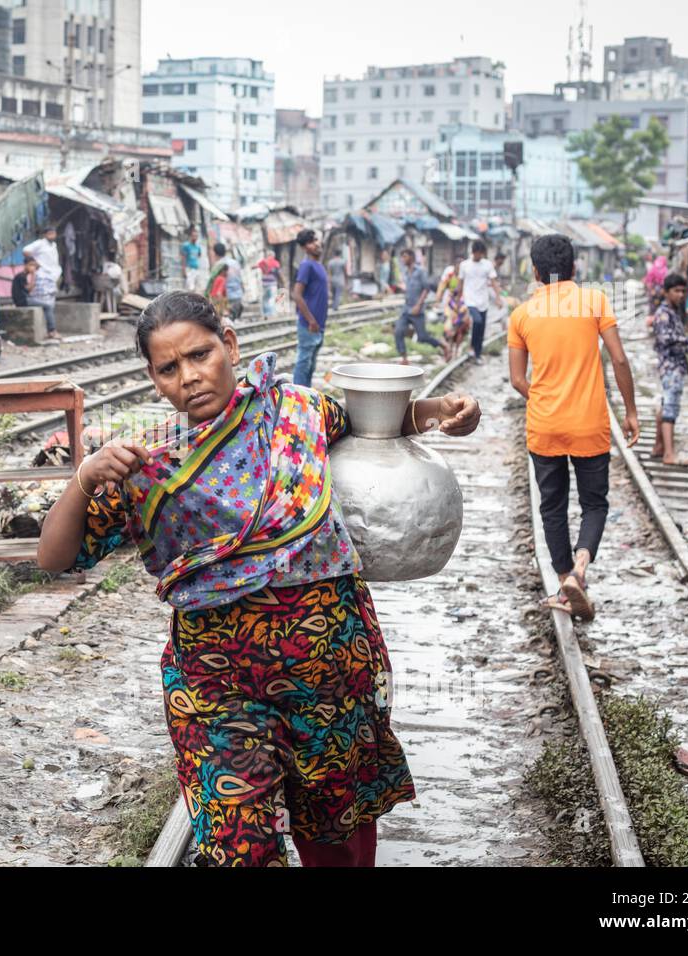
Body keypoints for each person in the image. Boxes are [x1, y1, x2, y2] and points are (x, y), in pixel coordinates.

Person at [35, 290, 482, 867]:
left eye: (200, 355)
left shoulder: (297, 413)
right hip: (217, 687)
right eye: (169, 368)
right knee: (237, 848)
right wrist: (83, 477)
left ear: (230, 345)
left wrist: (441, 411)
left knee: (337, 842)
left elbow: (381, 423)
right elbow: (52, 557)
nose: (190, 377)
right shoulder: (151, 469)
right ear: (153, 378)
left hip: (329, 675)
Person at [508, 234, 640, 623]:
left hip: (544, 426)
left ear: (535, 272)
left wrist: (546, 398)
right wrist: (631, 411)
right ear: (575, 268)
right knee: (594, 503)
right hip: (589, 424)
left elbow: (518, 381)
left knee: (552, 507)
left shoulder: (521, 315)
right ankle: (581, 568)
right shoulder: (595, 301)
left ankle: (564, 580)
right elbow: (618, 359)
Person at [650, 273, 688, 467]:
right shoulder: (663, 314)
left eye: (683, 291)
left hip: (676, 365)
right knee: (670, 407)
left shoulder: (674, 312)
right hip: (670, 366)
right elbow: (665, 338)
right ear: (666, 292)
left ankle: (659, 446)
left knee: (666, 404)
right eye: (676, 291)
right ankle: (669, 454)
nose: (681, 294)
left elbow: (678, 335)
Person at [292, 228, 329, 388]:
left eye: (315, 240)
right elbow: (297, 295)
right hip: (309, 325)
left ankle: (305, 396)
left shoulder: (318, 265)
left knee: (311, 365)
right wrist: (311, 321)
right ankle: (297, 396)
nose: (315, 244)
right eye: (310, 242)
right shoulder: (307, 265)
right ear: (304, 248)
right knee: (304, 362)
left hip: (318, 325)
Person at [394, 248, 444, 365]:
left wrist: (418, 305)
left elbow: (426, 289)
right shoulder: (406, 273)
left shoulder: (420, 271)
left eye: (405, 256)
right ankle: (404, 358)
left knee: (422, 337)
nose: (403, 259)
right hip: (406, 309)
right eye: (402, 257)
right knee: (398, 331)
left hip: (417, 310)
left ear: (411, 257)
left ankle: (442, 344)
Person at [457, 239, 501, 364]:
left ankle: (477, 354)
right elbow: (460, 283)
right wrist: (457, 300)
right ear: (473, 252)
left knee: (481, 329)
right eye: (478, 253)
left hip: (483, 301)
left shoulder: (487, 265)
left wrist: (498, 298)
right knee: (477, 320)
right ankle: (472, 347)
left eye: (482, 253)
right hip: (470, 300)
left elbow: (494, 282)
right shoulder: (464, 265)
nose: (479, 256)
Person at [24, 224, 61, 340]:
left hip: (52, 277)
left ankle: (49, 330)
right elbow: (25, 250)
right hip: (42, 276)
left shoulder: (53, 245)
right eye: (49, 233)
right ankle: (51, 330)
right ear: (45, 234)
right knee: (46, 303)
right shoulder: (40, 243)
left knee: (51, 303)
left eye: (53, 233)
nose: (52, 235)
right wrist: (36, 263)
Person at [437, 252, 469, 362]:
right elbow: (442, 287)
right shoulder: (450, 276)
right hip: (451, 304)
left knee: (461, 329)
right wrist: (438, 299)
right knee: (449, 328)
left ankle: (456, 350)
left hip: (463, 304)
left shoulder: (467, 277)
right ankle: (449, 349)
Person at [208, 242, 244, 322]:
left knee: (226, 320)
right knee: (232, 320)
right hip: (237, 295)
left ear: (215, 253)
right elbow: (240, 278)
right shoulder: (235, 263)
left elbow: (213, 284)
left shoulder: (217, 266)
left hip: (224, 298)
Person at [255, 249, 283, 317]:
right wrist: (282, 281)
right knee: (272, 298)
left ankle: (266, 314)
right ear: (273, 256)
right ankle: (272, 314)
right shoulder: (275, 262)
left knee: (265, 299)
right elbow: (279, 273)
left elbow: (254, 266)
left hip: (265, 284)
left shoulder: (263, 262)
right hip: (272, 283)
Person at [181, 226, 206, 293]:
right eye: (193, 236)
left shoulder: (198, 247)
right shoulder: (186, 245)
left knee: (197, 288)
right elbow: (183, 258)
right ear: (190, 236)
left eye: (196, 236)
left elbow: (199, 256)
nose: (195, 237)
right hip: (189, 269)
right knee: (190, 288)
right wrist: (184, 270)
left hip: (196, 269)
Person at [326, 245, 347, 312]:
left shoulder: (330, 262)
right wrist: (346, 279)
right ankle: (335, 308)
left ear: (334, 254)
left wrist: (329, 282)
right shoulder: (343, 262)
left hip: (333, 279)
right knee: (338, 294)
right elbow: (345, 271)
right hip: (340, 279)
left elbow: (329, 273)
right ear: (340, 254)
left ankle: (334, 307)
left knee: (334, 294)